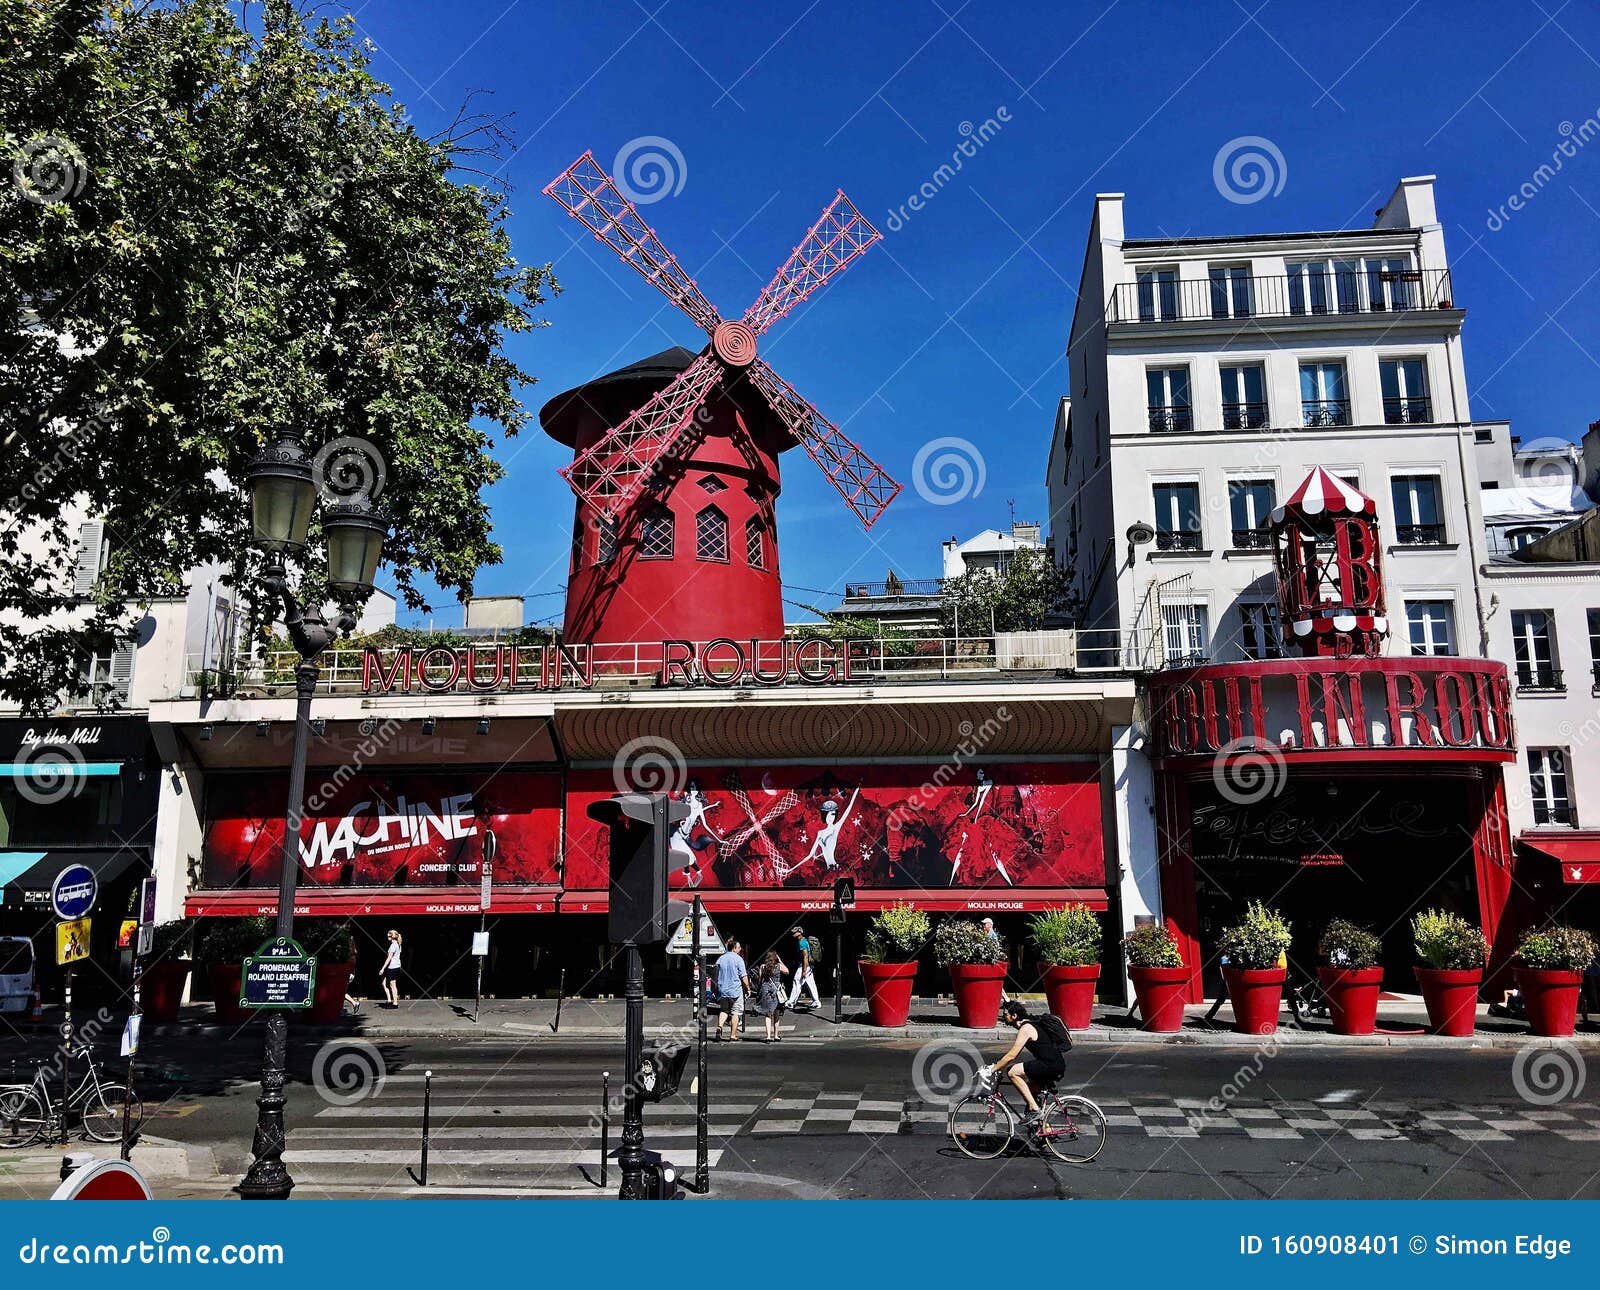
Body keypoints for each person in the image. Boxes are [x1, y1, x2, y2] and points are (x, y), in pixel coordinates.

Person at [986, 999, 1070, 1131]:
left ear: (1014, 1016)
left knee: (1012, 1072)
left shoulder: (1026, 1028)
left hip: (1050, 1065)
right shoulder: (1028, 1024)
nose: (1003, 1016)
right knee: (1030, 1091)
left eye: (1005, 1014)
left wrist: (992, 1069)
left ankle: (1035, 1110)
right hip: (1054, 1064)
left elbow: (1011, 1056)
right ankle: (1045, 1130)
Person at [713, 938, 751, 1042]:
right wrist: (748, 988)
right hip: (735, 990)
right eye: (739, 947)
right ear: (734, 948)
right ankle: (733, 1035)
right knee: (736, 1012)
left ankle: (719, 1027)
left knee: (724, 1010)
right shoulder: (739, 959)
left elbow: (715, 972)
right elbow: (743, 976)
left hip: (723, 989)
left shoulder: (721, 958)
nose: (740, 949)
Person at [753, 950, 789, 1042]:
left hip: (766, 992)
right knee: (776, 1014)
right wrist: (780, 961)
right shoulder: (778, 966)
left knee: (768, 1014)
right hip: (776, 992)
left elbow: (760, 980)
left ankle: (768, 1036)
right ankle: (776, 1036)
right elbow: (787, 971)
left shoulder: (763, 967)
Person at [787, 926, 822, 1010]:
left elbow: (805, 957)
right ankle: (816, 1002)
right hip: (809, 965)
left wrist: (804, 970)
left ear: (799, 933)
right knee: (811, 983)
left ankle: (791, 1002)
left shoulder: (802, 942)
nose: (793, 933)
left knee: (797, 982)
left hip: (804, 966)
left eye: (794, 932)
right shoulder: (804, 940)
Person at [343, 922, 362, 1015]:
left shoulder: (348, 956)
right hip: (351, 973)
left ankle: (354, 1003)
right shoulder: (354, 955)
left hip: (347, 973)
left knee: (341, 991)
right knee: (341, 991)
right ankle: (353, 1004)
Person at [380, 929, 403, 1008]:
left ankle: (395, 1003)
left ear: (391, 937)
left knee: (392, 984)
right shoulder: (398, 944)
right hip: (397, 966)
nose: (387, 937)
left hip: (392, 967)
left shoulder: (393, 945)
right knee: (392, 984)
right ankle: (392, 1001)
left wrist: (383, 968)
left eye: (388, 936)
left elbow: (389, 958)